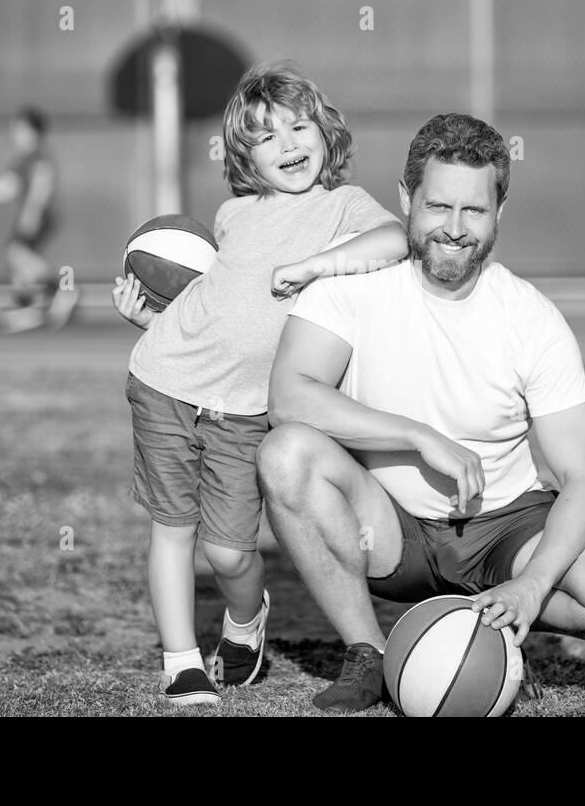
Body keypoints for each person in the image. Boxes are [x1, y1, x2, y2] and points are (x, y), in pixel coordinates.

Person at [260, 112, 585, 713]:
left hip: (504, 528)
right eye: (438, 207)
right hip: (390, 528)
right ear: (406, 199)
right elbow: (288, 398)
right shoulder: (348, 288)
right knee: (286, 453)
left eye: (474, 211)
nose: (454, 229)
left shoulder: (531, 318)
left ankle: (496, 627)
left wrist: (532, 585)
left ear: (499, 212)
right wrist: (417, 436)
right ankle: (368, 655)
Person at [111, 62, 408, 706]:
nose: (289, 144)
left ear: (327, 133)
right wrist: (153, 319)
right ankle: (181, 662)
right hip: (163, 379)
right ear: (245, 156)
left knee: (229, 555)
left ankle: (245, 623)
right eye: (267, 138)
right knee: (171, 529)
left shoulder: (345, 207)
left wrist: (315, 265)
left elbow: (396, 241)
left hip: (246, 412)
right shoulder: (232, 215)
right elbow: (221, 301)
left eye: (301, 127)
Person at [0, 106, 77, 332]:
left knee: (17, 254)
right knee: (18, 265)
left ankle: (62, 291)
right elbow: (7, 190)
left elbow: (28, 187)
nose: (15, 135)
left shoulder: (34, 158)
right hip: (37, 215)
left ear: (33, 132)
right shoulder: (27, 159)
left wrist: (32, 211)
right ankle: (29, 306)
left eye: (19, 130)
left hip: (36, 215)